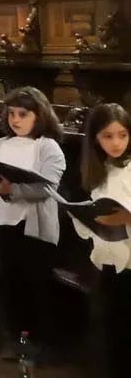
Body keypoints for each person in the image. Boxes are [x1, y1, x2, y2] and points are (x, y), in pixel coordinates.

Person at [0, 86, 65, 363]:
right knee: (10, 285)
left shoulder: (47, 146)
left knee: (34, 287)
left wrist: (11, 190)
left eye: (23, 114)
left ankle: (37, 341)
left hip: (31, 230)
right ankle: (15, 336)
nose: (15, 119)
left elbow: (47, 188)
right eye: (12, 114)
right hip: (2, 225)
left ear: (39, 115)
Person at [76, 104, 131, 378]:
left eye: (122, 134)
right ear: (95, 138)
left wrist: (127, 218)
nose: (116, 143)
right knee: (112, 327)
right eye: (107, 136)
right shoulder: (99, 170)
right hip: (108, 259)